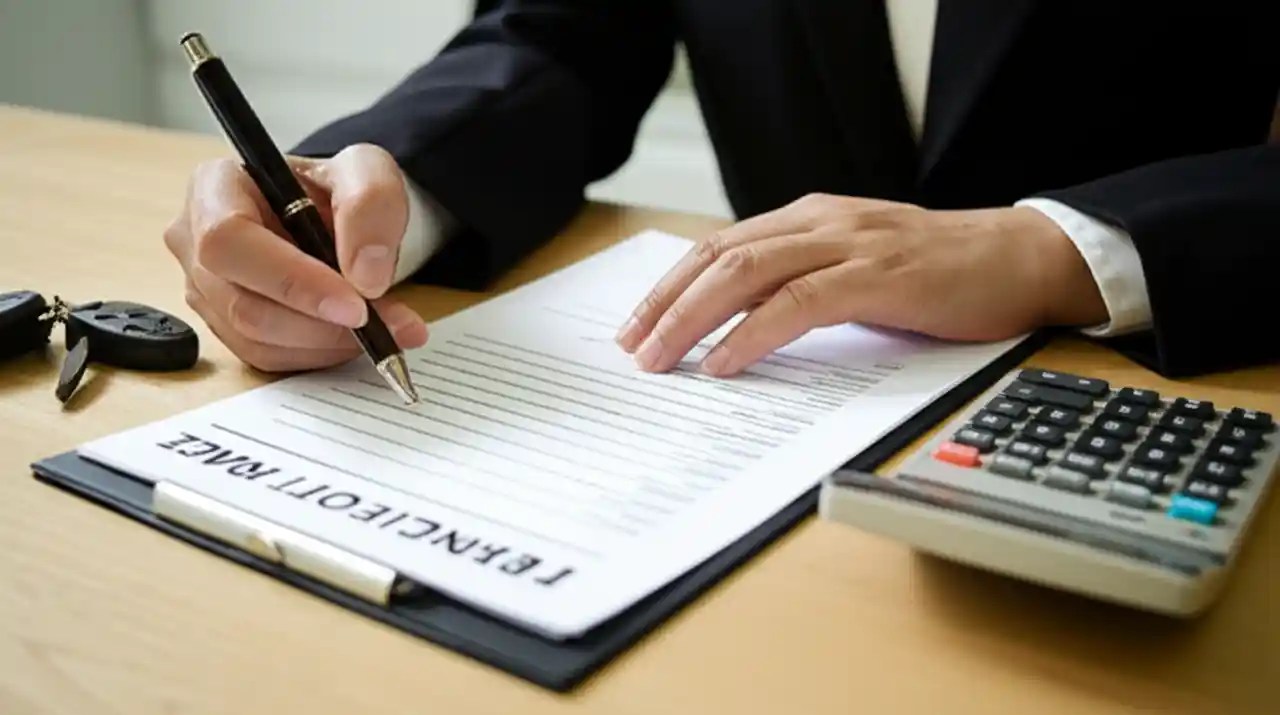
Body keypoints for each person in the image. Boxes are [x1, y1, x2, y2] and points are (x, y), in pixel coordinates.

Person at [163, 2, 1280, 380]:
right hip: (773, 420)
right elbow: (564, 37)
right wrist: (376, 191)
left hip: (1174, 369)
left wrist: (1055, 249)